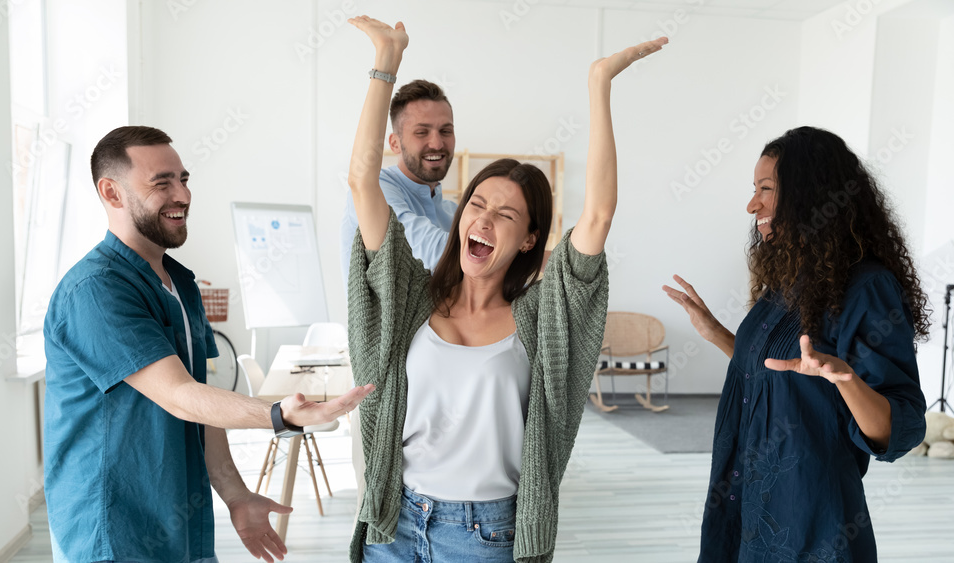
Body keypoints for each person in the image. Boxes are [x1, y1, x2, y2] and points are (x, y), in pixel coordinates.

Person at [344, 15, 666, 562]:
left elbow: (600, 214)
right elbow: (361, 180)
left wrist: (599, 84)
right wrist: (386, 63)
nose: (484, 221)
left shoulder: (543, 316)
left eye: (506, 214)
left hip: (485, 535)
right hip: (397, 523)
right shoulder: (411, 298)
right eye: (477, 205)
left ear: (528, 240)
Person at [43, 125, 374, 563]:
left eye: (183, 179)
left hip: (178, 523)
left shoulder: (180, 282)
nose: (181, 194)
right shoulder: (95, 291)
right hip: (114, 530)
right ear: (112, 193)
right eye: (162, 183)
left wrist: (236, 496)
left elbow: (201, 404)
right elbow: (179, 397)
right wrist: (278, 414)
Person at [662, 126, 929, 561]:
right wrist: (717, 334)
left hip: (810, 527)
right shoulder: (788, 282)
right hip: (745, 510)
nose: (753, 205)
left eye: (766, 189)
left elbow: (901, 428)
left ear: (811, 194)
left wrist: (843, 378)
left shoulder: (867, 288)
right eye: (754, 190)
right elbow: (777, 376)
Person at [339, 78, 457, 279]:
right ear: (394, 143)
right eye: (422, 132)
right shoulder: (376, 190)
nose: (437, 143)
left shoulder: (455, 214)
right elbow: (423, 251)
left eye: (445, 131)